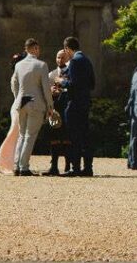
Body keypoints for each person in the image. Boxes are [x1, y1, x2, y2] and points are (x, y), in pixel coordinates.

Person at [8, 39, 53, 176]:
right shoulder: (41, 65)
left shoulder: (19, 65)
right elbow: (46, 88)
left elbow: (14, 84)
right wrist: (50, 105)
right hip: (36, 103)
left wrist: (17, 98)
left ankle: (16, 165)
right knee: (30, 135)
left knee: (22, 134)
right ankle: (24, 166)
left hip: (21, 102)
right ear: (35, 48)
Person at [61, 36, 95, 177]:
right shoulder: (87, 60)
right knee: (85, 136)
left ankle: (75, 168)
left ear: (68, 48)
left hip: (74, 103)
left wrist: (61, 82)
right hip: (85, 102)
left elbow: (72, 84)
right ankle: (88, 167)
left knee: (74, 136)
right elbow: (92, 84)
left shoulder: (74, 61)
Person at [42, 48, 70, 176]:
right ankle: (53, 166)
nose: (60, 60)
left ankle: (68, 165)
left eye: (63, 57)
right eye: (58, 57)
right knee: (53, 137)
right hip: (55, 108)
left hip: (67, 108)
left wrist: (63, 91)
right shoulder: (52, 74)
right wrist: (51, 92)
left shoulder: (71, 73)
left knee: (67, 137)